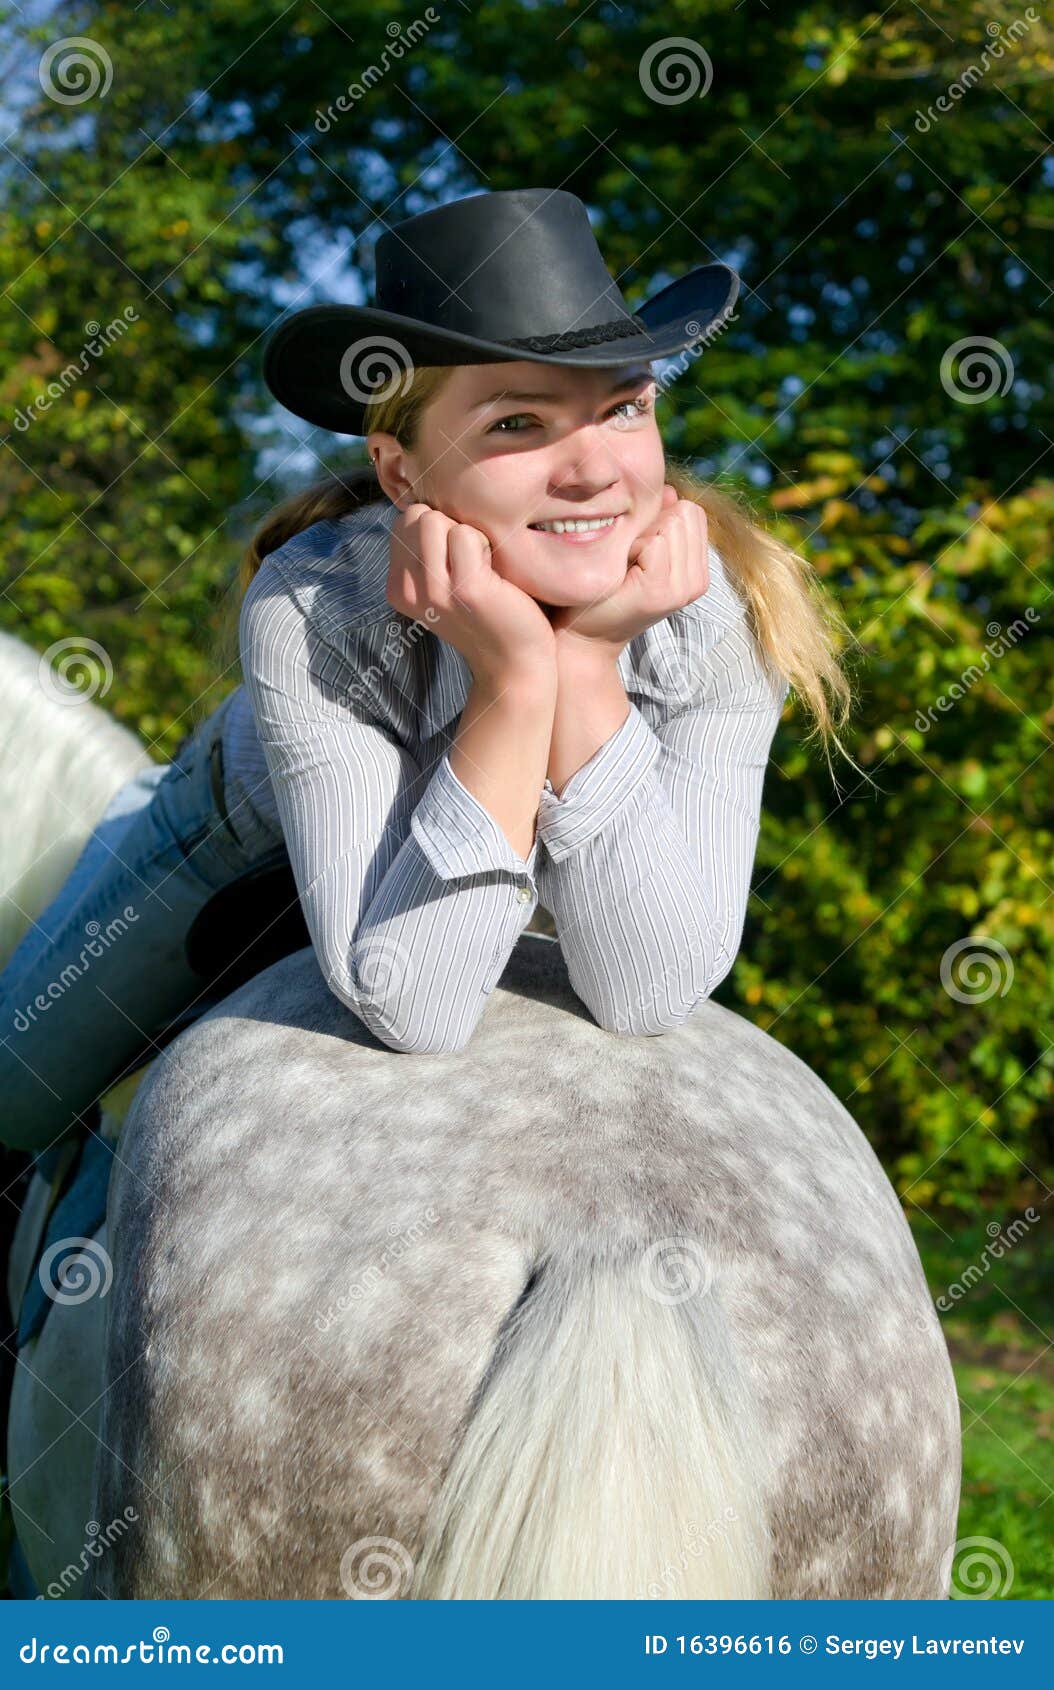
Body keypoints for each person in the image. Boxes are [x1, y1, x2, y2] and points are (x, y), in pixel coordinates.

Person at [0, 185, 852, 1173]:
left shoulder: (715, 622)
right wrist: (516, 683)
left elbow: (650, 992)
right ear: (401, 474)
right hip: (233, 859)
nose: (592, 470)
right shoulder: (312, 606)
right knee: (14, 1104)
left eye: (623, 407)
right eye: (517, 425)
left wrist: (576, 668)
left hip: (479, 887)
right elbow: (418, 1002)